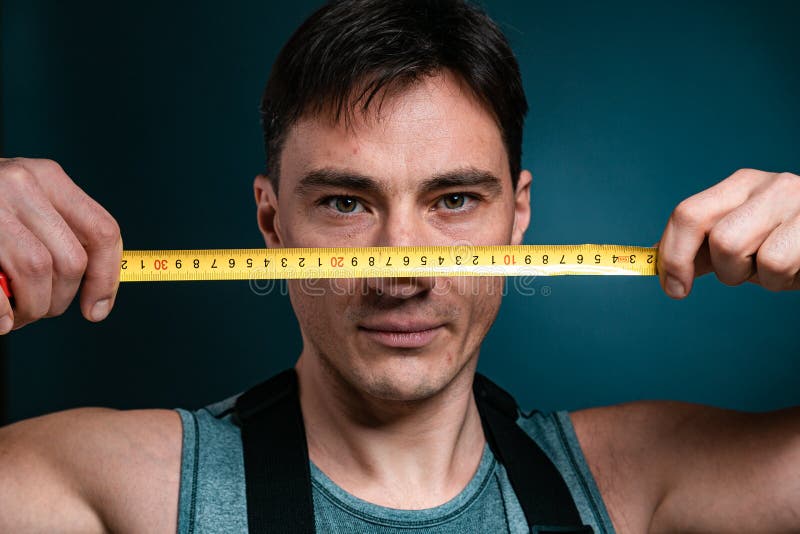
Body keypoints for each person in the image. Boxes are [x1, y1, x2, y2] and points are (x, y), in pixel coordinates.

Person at [1, 1, 798, 532]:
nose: (400, 272)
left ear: (517, 218)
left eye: (454, 200)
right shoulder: (121, 489)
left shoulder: (634, 481)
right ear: (270, 223)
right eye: (346, 204)